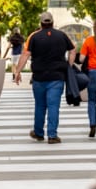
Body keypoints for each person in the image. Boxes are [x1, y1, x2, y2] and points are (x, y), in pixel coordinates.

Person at [14, 11, 76, 144]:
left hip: (39, 77)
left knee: (40, 105)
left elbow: (25, 54)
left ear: (41, 23)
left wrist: (17, 72)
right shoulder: (62, 35)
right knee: (53, 106)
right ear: (52, 22)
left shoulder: (34, 37)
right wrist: (69, 66)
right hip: (57, 77)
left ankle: (38, 133)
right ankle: (52, 135)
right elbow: (72, 50)